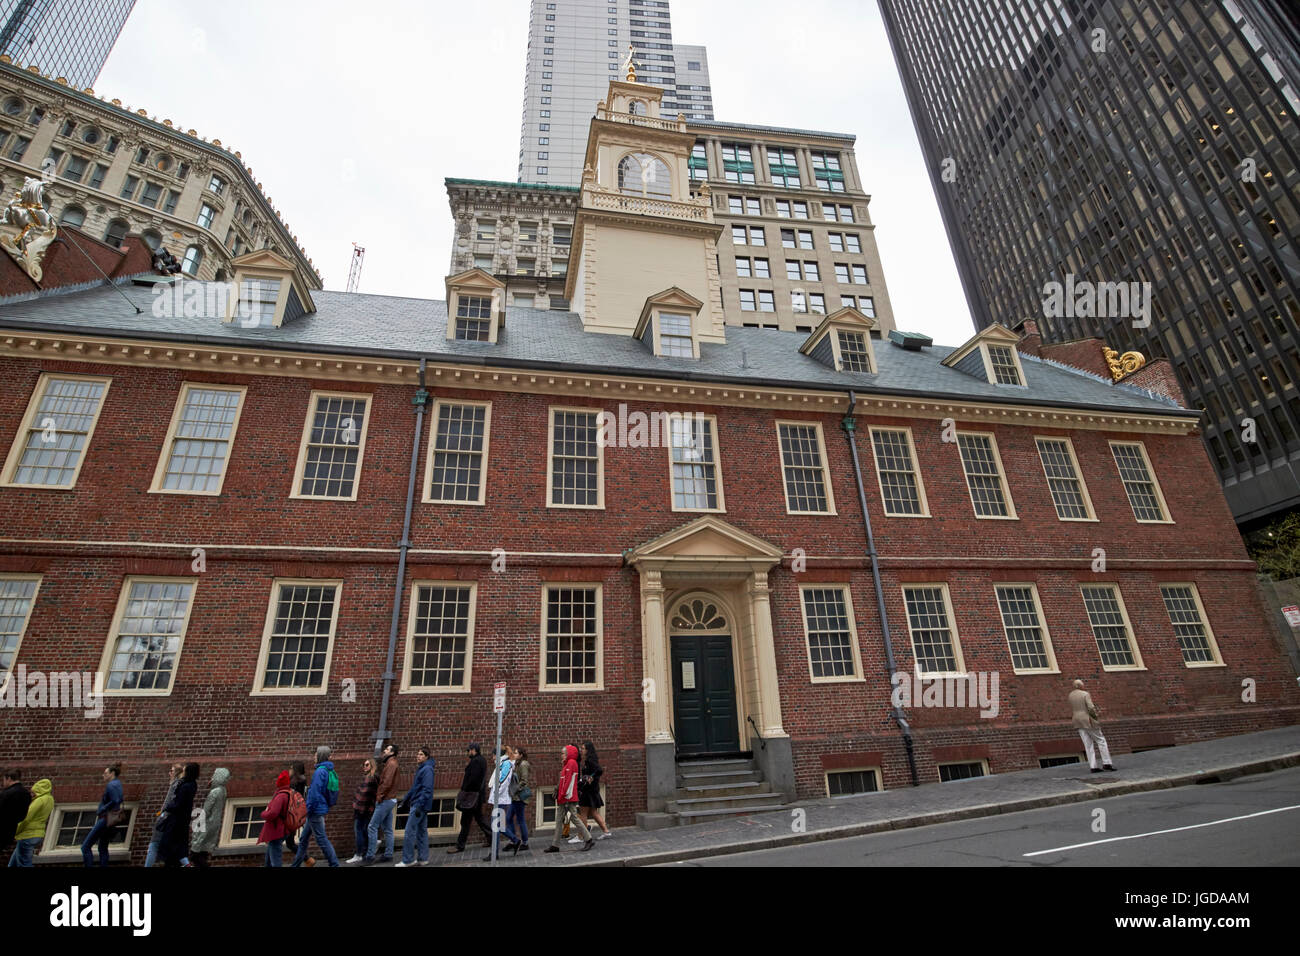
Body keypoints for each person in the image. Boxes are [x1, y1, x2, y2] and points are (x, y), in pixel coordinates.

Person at [291, 746, 341, 867]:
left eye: (315, 755)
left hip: (315, 810)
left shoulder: (319, 772)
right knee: (303, 839)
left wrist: (307, 809)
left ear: (320, 756)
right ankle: (296, 864)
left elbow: (314, 794)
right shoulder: (328, 770)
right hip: (318, 808)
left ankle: (334, 864)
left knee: (322, 840)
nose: (314, 757)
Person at [545, 745, 593, 853]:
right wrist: (558, 791)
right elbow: (563, 781)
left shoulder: (571, 763)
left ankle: (588, 839)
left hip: (568, 797)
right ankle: (555, 844)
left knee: (573, 818)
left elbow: (568, 782)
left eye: (563, 753)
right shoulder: (567, 763)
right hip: (565, 796)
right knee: (560, 820)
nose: (561, 755)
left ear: (569, 754)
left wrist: (563, 795)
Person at [448, 742, 493, 854]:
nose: (468, 753)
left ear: (474, 750)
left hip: (472, 797)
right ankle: (492, 837)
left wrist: (465, 790)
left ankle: (460, 845)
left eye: (469, 750)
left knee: (465, 821)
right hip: (476, 796)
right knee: (479, 819)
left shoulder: (476, 761)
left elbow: (473, 779)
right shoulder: (481, 760)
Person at [396, 746, 435, 867]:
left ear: (426, 757)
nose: (418, 756)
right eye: (418, 754)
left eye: (421, 754)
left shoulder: (427, 769)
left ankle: (408, 860)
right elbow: (415, 788)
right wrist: (405, 799)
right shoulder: (422, 769)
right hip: (420, 804)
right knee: (421, 832)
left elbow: (427, 790)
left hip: (419, 805)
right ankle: (423, 859)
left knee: (409, 831)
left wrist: (419, 804)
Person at [361, 742, 399, 865]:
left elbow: (387, 783)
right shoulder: (390, 763)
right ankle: (388, 854)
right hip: (390, 799)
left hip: (386, 799)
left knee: (372, 827)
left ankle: (370, 856)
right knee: (388, 829)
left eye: (387, 749)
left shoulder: (391, 764)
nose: (384, 751)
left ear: (392, 752)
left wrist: (380, 796)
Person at [1069, 679, 1117, 772]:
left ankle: (1093, 766)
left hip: (1077, 720)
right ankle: (1107, 763)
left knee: (1088, 744)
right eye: (1083, 685)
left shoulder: (1070, 695)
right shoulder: (1085, 694)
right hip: (1087, 720)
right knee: (1101, 740)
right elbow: (1090, 708)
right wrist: (1095, 718)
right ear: (1080, 686)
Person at [82, 763, 123, 867]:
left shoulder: (111, 785)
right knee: (103, 847)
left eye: (105, 773)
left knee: (85, 846)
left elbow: (116, 800)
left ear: (112, 773)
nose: (103, 775)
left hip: (105, 819)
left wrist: (102, 809)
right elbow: (119, 799)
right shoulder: (118, 784)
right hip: (112, 820)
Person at [159, 763, 199, 867]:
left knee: (171, 849)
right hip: (182, 821)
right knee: (178, 849)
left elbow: (178, 804)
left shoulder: (185, 786)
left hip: (176, 822)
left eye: (184, 771)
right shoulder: (192, 784)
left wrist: (168, 807)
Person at [190, 767, 230, 867]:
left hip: (207, 822)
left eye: (214, 775)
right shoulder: (223, 790)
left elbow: (206, 811)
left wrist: (197, 824)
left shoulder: (214, 792)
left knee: (195, 853)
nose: (212, 777)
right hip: (215, 823)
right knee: (204, 851)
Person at [145, 764, 183, 868]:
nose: (169, 773)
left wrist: (161, 815)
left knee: (153, 845)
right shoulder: (179, 784)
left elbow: (168, 803)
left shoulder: (175, 784)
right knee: (175, 848)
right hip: (171, 821)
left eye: (171, 771)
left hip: (165, 820)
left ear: (176, 773)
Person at [8, 777, 52, 867]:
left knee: (24, 863)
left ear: (39, 791)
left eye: (33, 792)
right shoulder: (50, 799)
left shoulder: (39, 801)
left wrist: (15, 831)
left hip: (28, 835)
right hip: (38, 834)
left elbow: (26, 817)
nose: (31, 794)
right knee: (13, 863)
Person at [483, 746, 515, 861]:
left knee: (495, 827)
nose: (492, 758)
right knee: (499, 826)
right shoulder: (502, 764)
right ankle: (515, 841)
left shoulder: (505, 764)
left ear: (497, 755)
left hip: (500, 801)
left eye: (492, 755)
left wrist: (496, 795)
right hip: (499, 800)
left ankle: (494, 853)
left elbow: (503, 781)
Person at [575, 741, 612, 840]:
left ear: (588, 750)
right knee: (594, 812)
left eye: (583, 749)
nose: (581, 750)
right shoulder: (589, 760)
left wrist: (590, 777)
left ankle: (582, 836)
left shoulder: (590, 761)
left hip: (589, 791)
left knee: (583, 813)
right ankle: (606, 831)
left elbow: (599, 770)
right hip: (592, 790)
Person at [345, 756, 379, 864]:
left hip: (362, 809)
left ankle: (359, 854)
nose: (364, 767)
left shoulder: (371, 778)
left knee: (358, 830)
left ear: (372, 766)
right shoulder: (370, 777)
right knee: (364, 830)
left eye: (367, 765)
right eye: (364, 765)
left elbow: (363, 795)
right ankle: (366, 850)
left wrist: (356, 803)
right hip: (366, 809)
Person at [257, 770, 294, 867]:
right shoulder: (289, 793)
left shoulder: (280, 796)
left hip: (277, 830)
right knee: (270, 855)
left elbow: (273, 813)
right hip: (284, 828)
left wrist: (263, 813)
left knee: (275, 859)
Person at [504, 745, 531, 854]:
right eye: (514, 753)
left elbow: (524, 780)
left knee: (519, 820)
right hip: (515, 797)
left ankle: (524, 842)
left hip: (519, 797)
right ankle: (514, 840)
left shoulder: (523, 764)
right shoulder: (516, 764)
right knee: (509, 818)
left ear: (521, 755)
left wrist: (515, 789)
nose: (514, 755)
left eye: (516, 753)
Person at [0, 769, 31, 861]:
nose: (3, 783)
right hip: (11, 831)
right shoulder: (26, 794)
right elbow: (23, 815)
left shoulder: (6, 794)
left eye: (3, 780)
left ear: (8, 778)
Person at [285, 760, 308, 858]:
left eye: (291, 768)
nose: (289, 770)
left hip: (290, 815)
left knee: (288, 843)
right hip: (293, 815)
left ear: (295, 770)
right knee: (286, 842)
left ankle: (307, 858)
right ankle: (306, 858)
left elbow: (290, 798)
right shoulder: (301, 781)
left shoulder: (295, 783)